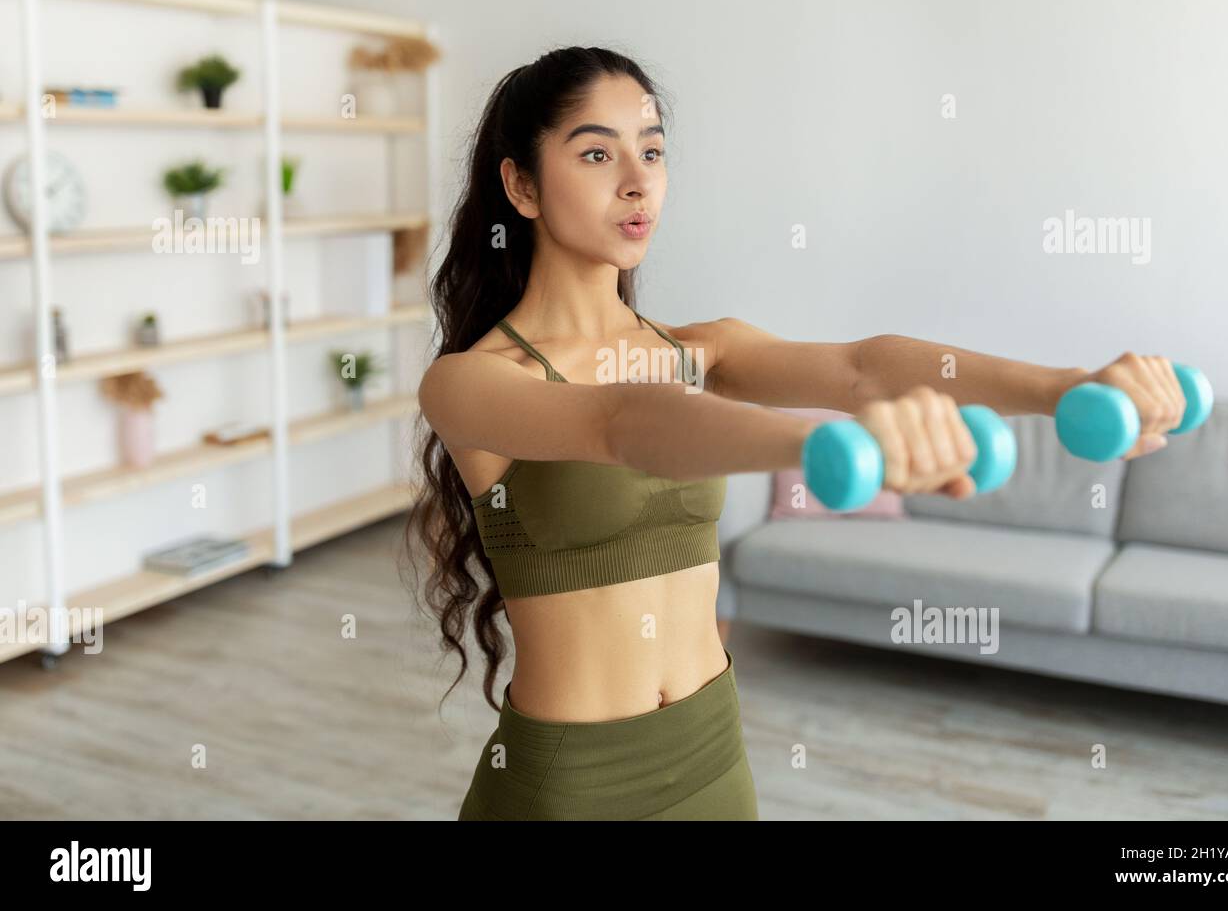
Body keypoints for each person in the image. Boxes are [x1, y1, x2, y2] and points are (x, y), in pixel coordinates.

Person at [407, 46, 1187, 821]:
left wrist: (1069, 388)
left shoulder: (695, 349)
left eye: (652, 151)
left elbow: (862, 369)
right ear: (521, 185)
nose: (638, 180)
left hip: (711, 756)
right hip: (568, 786)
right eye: (597, 153)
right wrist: (819, 448)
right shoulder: (472, 381)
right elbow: (620, 423)